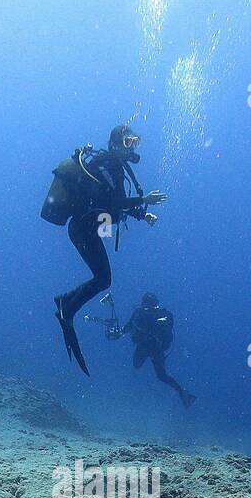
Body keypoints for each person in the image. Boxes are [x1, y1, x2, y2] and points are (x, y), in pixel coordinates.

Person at [41, 126, 166, 375]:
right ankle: (66, 309)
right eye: (128, 142)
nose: (132, 148)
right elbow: (113, 203)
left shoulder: (115, 167)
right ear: (115, 144)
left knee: (103, 278)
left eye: (135, 142)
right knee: (103, 279)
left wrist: (142, 214)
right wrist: (144, 201)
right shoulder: (107, 165)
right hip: (83, 230)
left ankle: (66, 304)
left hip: (88, 229)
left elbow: (114, 203)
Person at [113, 292, 196, 409]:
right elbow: (127, 327)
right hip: (147, 348)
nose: (147, 309)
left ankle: (183, 393)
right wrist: (119, 332)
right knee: (153, 372)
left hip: (155, 349)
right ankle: (183, 392)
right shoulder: (138, 313)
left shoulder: (159, 316)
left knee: (160, 375)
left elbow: (129, 327)